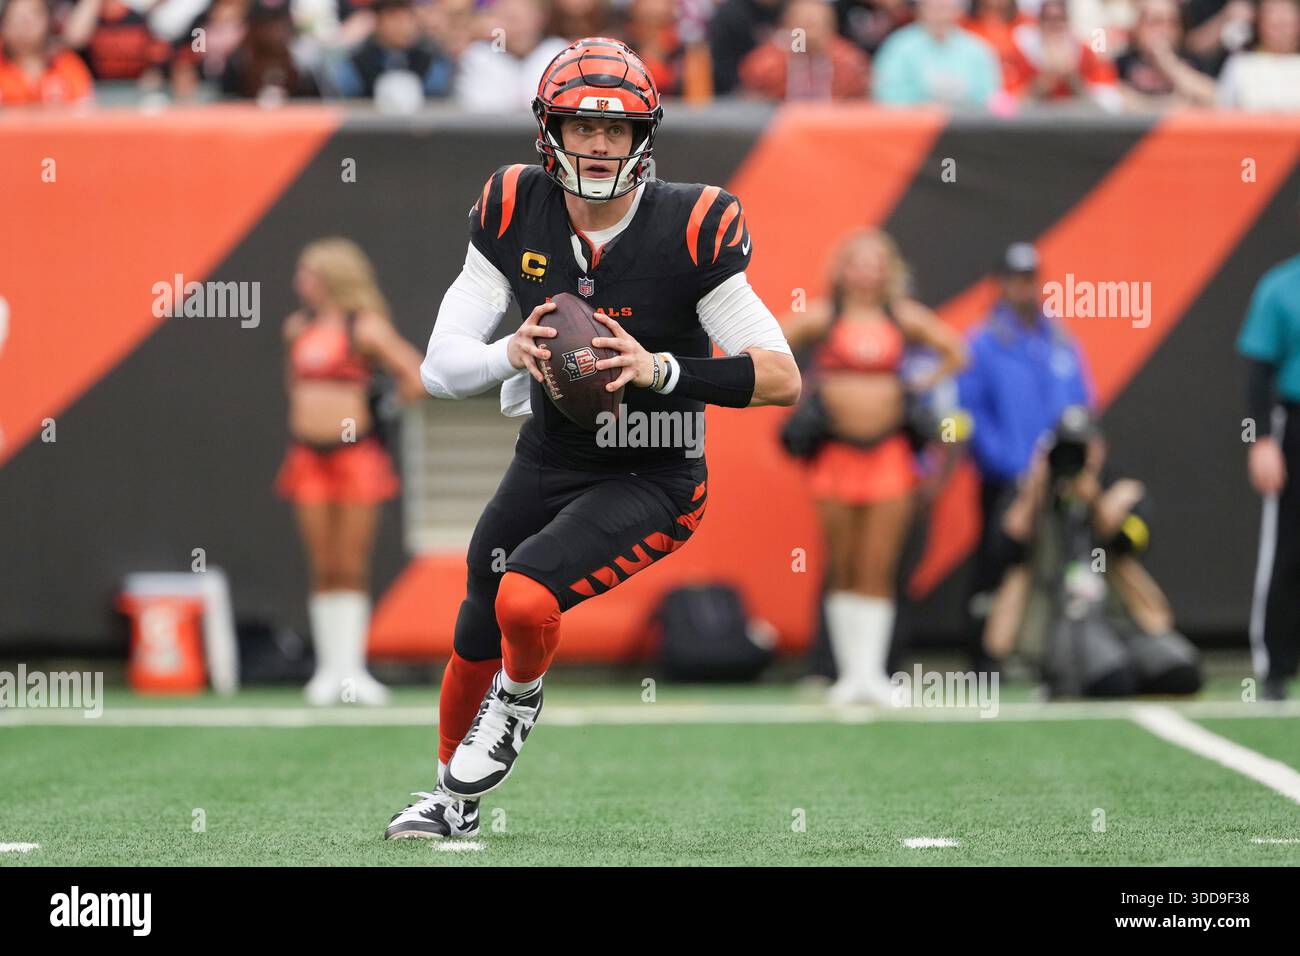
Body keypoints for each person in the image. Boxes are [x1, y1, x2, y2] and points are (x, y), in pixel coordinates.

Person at [386, 37, 799, 839]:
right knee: (480, 604)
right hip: (551, 455)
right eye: (583, 126)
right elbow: (438, 369)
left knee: (525, 595)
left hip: (655, 475)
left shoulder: (692, 224)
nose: (600, 144)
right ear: (551, 132)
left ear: (645, 138)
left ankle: (518, 699)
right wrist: (512, 351)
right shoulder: (514, 204)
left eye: (617, 130)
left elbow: (781, 375)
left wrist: (658, 369)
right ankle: (450, 799)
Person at [782, 230, 966, 704]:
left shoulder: (901, 318)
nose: (866, 271)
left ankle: (873, 676)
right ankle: (848, 676)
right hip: (834, 456)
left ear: (889, 271)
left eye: (875, 263)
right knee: (841, 564)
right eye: (857, 262)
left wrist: (920, 382)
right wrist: (806, 387)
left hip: (889, 457)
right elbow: (772, 343)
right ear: (842, 269)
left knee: (878, 567)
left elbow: (955, 350)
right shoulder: (825, 317)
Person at [277, 238, 426, 707]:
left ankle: (353, 671)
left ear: (330, 278)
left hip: (356, 456)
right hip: (308, 456)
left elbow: (415, 374)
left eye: (307, 273)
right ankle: (327, 671)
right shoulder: (296, 328)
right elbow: (295, 386)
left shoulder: (364, 328)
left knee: (350, 563)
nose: (300, 282)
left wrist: (381, 408)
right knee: (322, 564)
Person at [986, 406, 1201, 697]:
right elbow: (1005, 549)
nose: (1078, 458)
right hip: (1061, 616)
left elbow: (1132, 545)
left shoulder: (1120, 489)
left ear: (1101, 448)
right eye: (1068, 448)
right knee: (1115, 681)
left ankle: (1126, 667)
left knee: (1183, 675)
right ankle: (1097, 673)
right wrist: (1036, 486)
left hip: (1119, 613)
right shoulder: (1031, 490)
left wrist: (1095, 502)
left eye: (1085, 447)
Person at [957, 242, 1093, 671]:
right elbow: (969, 413)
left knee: (1064, 559)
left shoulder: (1059, 340)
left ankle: (1060, 653)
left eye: (1030, 279)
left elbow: (1082, 405)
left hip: (1060, 477)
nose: (1023, 288)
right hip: (1005, 479)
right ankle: (984, 658)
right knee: (998, 563)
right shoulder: (981, 343)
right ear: (1001, 285)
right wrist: (1007, 462)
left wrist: (1070, 460)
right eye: (1014, 280)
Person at [1237, 192, 1300, 700]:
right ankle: (1276, 665)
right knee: (1287, 549)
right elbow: (1258, 370)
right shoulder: (1281, 287)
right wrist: (1260, 438)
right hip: (1294, 424)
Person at [872, 0, 1001, 107]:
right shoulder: (898, 46)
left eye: (945, 7)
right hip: (913, 129)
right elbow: (886, 93)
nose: (940, 14)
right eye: (933, 7)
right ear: (920, 9)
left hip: (967, 129)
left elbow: (990, 95)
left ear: (958, 11)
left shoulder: (977, 49)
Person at [738, 0, 871, 101]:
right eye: (802, 27)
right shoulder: (766, 63)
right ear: (788, 26)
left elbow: (861, 104)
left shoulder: (850, 62)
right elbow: (749, 103)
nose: (809, 33)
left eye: (816, 26)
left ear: (831, 28)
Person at [1115, 0, 1217, 110]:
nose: (1164, 29)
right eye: (1156, 22)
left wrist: (1167, 62)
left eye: (1172, 23)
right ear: (1138, 27)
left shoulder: (1193, 60)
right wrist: (1176, 104)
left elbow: (1212, 97)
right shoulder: (1122, 63)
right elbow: (1115, 99)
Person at [0, 0, 93, 104]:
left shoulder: (66, 64)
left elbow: (84, 110)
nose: (25, 24)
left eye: (32, 16)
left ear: (47, 21)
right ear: (4, 25)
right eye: (17, 18)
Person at [1217, 0, 1300, 110]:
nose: (1281, 32)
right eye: (1274, 25)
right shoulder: (1240, 65)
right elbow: (1221, 109)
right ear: (1259, 22)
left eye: (1286, 24)